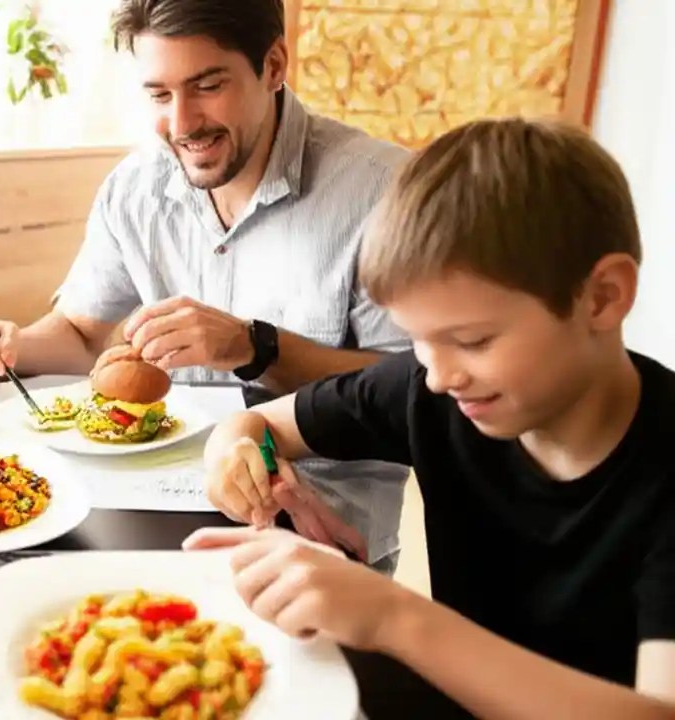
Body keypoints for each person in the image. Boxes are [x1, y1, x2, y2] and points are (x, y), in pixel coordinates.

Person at [192, 118, 675, 717]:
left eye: (472, 341)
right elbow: (257, 426)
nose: (441, 374)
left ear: (601, 297)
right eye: (418, 340)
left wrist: (391, 614)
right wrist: (244, 460)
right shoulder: (432, 389)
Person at [0, 0, 411, 569]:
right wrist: (8, 346)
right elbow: (84, 336)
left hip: (312, 533)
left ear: (275, 65)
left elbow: (415, 390)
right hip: (142, 514)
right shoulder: (134, 186)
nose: (182, 124)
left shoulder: (387, 192)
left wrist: (254, 347)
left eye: (208, 85)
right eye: (159, 95)